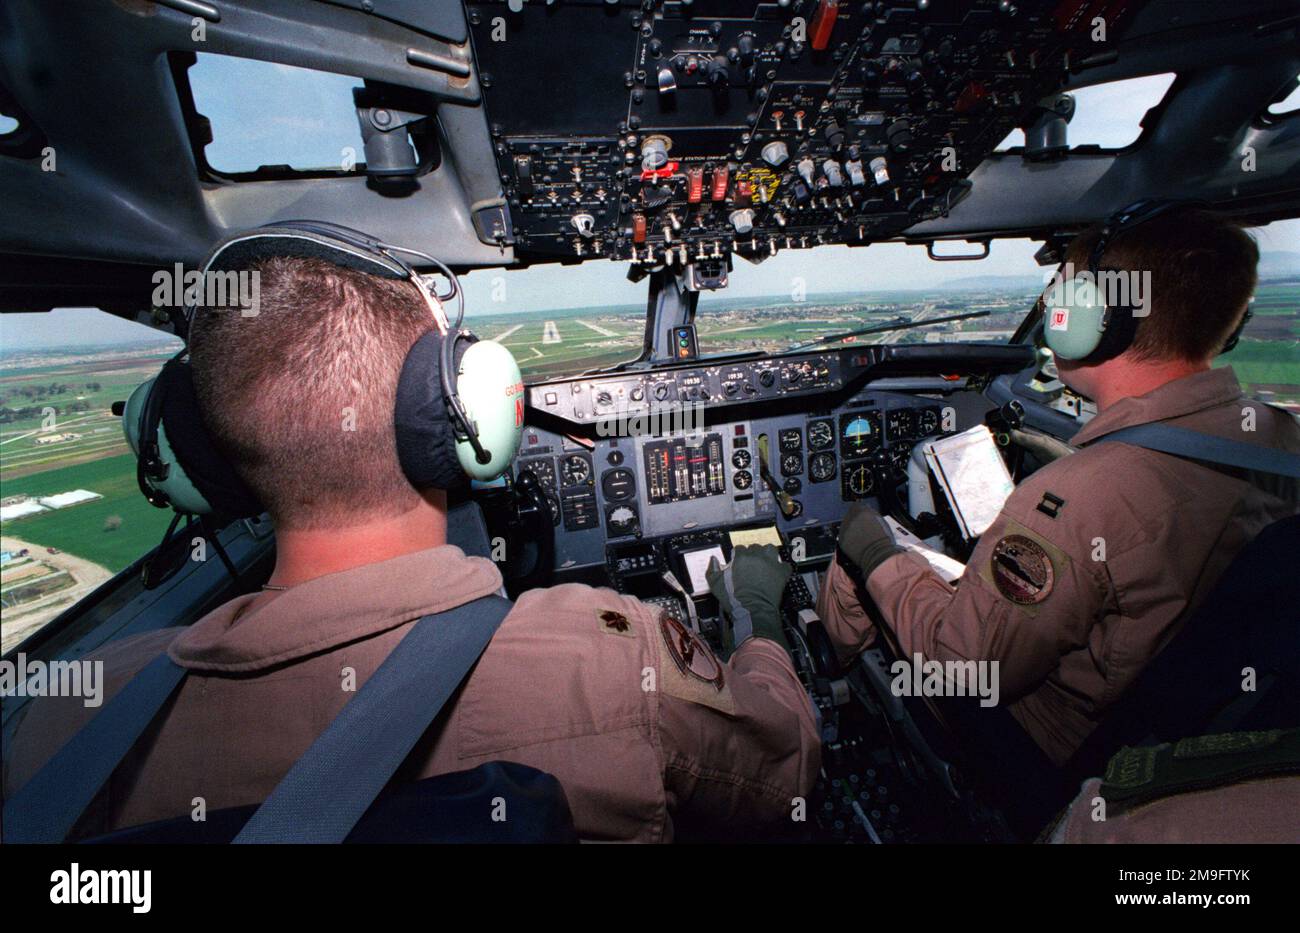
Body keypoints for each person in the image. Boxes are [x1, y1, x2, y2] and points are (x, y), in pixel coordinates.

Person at [2, 254, 820, 842]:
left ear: (204, 460)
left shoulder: (70, 724)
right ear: (463, 419)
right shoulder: (601, 662)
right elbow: (785, 771)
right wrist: (756, 614)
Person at [817, 207, 1300, 766]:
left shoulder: (1077, 499)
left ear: (1098, 316)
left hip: (1061, 748)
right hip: (1198, 739)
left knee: (864, 560)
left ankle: (835, 703)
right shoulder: (1279, 438)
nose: (1052, 308)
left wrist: (876, 554)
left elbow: (964, 672)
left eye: (1061, 292)